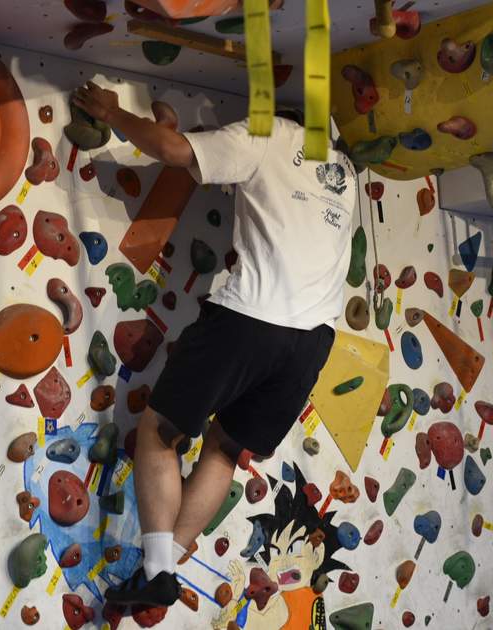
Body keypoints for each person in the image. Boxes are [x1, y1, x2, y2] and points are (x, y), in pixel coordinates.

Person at [72, 83, 353, 606]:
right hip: (311, 343)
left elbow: (177, 154)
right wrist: (176, 131)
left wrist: (113, 113)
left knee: (161, 431)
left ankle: (157, 570)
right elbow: (209, 167)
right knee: (224, 449)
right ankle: (162, 569)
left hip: (251, 319)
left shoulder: (266, 136)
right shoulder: (345, 176)